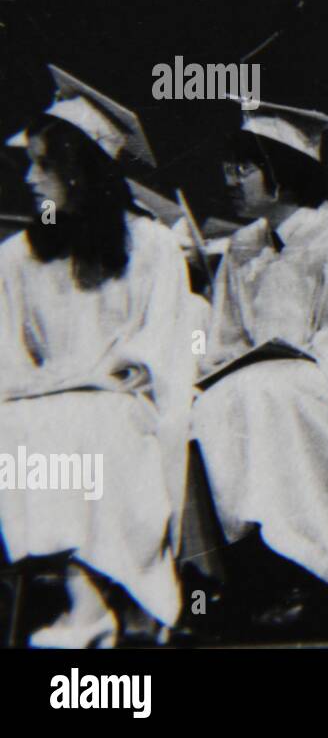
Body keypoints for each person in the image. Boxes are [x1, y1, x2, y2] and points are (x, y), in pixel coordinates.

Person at [0, 66, 194, 646]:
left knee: (91, 423)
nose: (31, 179)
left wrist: (117, 368)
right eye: (29, 164)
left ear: (81, 172)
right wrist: (49, 382)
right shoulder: (15, 257)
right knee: (18, 425)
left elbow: (163, 341)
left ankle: (89, 601)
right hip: (42, 398)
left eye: (45, 165)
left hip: (124, 405)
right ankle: (82, 597)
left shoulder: (152, 247)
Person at [189, 100, 328, 633]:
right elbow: (225, 341)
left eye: (244, 167)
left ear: (283, 171)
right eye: (229, 166)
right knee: (209, 401)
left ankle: (310, 571)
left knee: (262, 391)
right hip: (262, 392)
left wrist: (278, 367)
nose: (229, 179)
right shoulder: (243, 246)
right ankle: (243, 568)